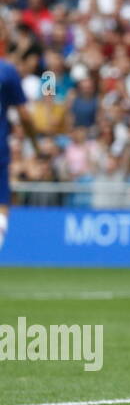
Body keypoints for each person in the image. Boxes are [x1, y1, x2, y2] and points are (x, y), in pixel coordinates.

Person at [0, 17, 41, 253]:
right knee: (3, 202)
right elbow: (26, 115)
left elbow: (48, 100)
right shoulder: (9, 71)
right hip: (8, 140)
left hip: (18, 134)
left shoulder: (44, 78)